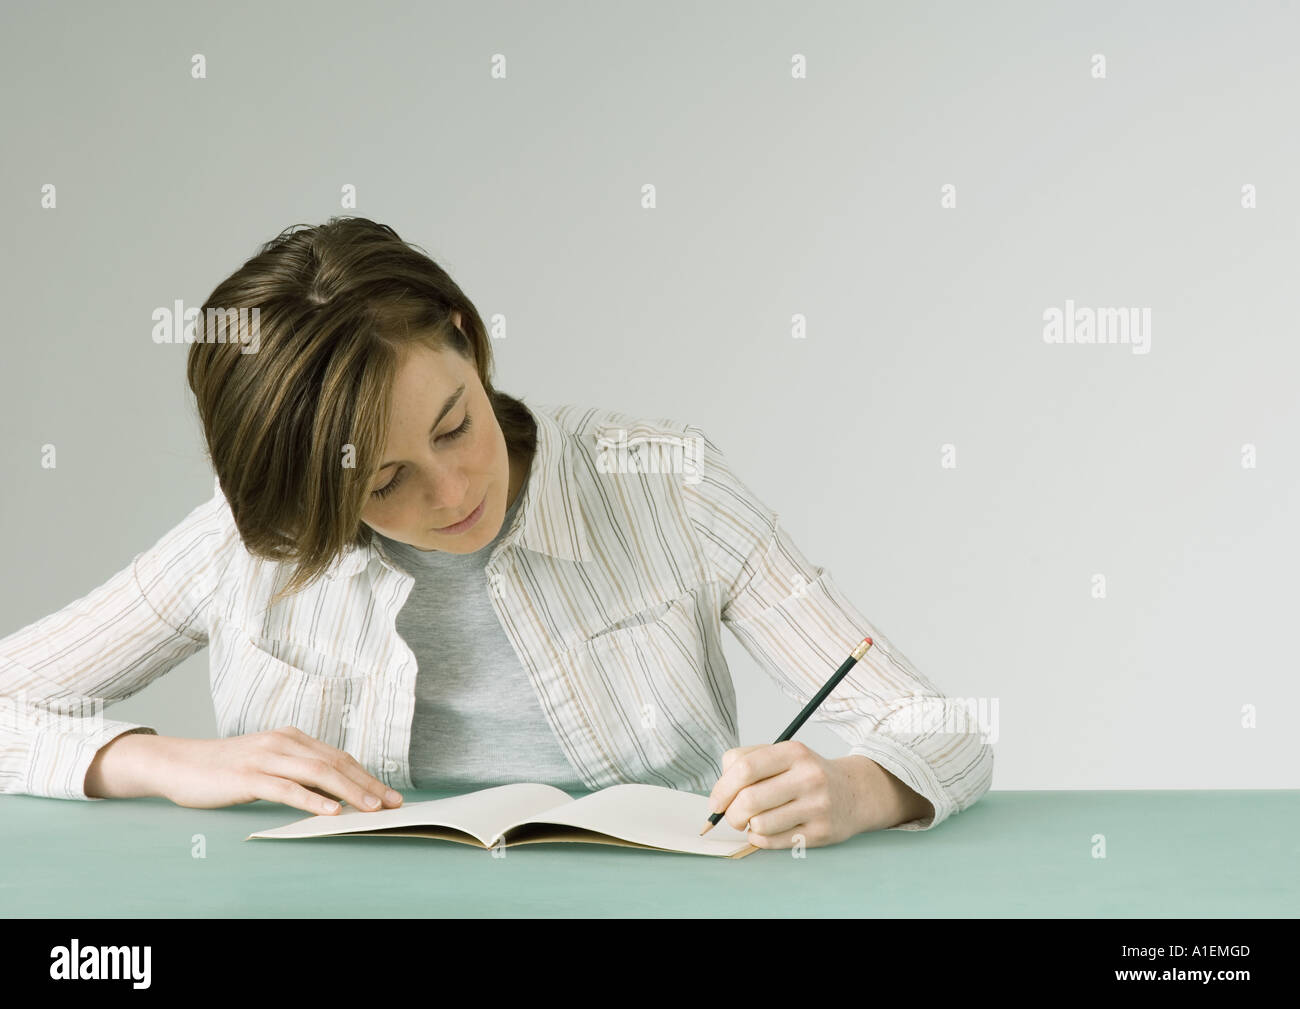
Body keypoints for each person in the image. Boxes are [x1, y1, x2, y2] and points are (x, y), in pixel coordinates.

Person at [0, 217, 992, 848]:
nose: (454, 489)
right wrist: (165, 760)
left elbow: (947, 728)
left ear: (465, 339)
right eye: (384, 480)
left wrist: (856, 790)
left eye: (454, 423)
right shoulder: (243, 548)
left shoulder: (662, 483)